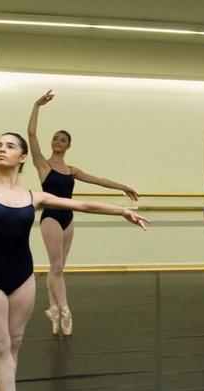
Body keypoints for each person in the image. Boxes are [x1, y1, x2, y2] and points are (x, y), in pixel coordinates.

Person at [0, 79, 148, 391]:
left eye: (9, 146)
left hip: (23, 277)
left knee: (15, 342)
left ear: (23, 157)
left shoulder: (34, 194)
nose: (1, 149)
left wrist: (121, 209)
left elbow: (81, 205)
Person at [28, 90, 140, 335]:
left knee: (58, 269)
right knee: (56, 268)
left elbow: (98, 180)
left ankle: (53, 309)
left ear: (68, 146)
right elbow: (32, 134)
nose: (58, 141)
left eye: (63, 140)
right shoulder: (43, 165)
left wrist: (123, 187)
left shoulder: (71, 169)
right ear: (52, 143)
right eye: (56, 138)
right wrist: (37, 105)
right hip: (51, 218)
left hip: (68, 219)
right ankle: (65, 309)